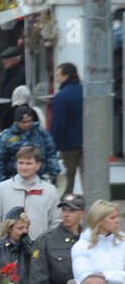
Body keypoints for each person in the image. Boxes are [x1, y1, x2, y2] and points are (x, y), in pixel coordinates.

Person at [72, 199, 125, 284]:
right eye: (113, 218)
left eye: (117, 217)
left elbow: (95, 278)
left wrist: (103, 275)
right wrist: (119, 275)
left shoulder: (123, 241)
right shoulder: (81, 246)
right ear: (99, 221)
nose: (118, 220)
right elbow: (86, 280)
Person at [50, 62, 83, 195]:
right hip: (86, 144)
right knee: (90, 181)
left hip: (68, 146)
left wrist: (53, 147)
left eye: (58, 75)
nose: (57, 79)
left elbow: (58, 125)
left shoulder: (61, 97)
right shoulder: (86, 91)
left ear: (66, 76)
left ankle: (67, 212)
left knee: (66, 185)